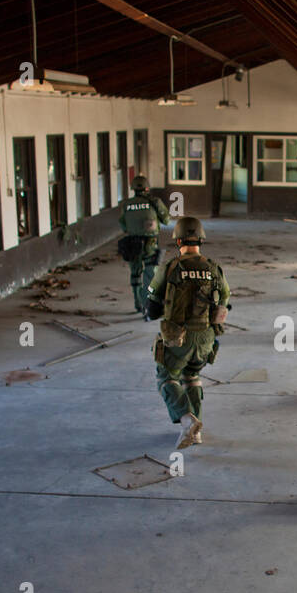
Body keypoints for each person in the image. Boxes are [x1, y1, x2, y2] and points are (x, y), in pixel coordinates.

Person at [144, 217, 230, 448]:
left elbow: (151, 308)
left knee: (166, 377)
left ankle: (186, 419)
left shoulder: (170, 268)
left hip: (177, 337)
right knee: (192, 377)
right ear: (201, 240)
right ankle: (196, 431)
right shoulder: (214, 269)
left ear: (178, 240)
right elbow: (225, 302)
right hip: (206, 338)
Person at [118, 175, 171, 317]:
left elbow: (123, 225)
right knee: (150, 273)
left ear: (133, 188)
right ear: (147, 188)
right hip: (150, 243)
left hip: (132, 244)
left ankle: (138, 303)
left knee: (135, 274)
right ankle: (148, 305)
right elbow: (166, 219)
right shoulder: (155, 202)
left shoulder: (126, 204)